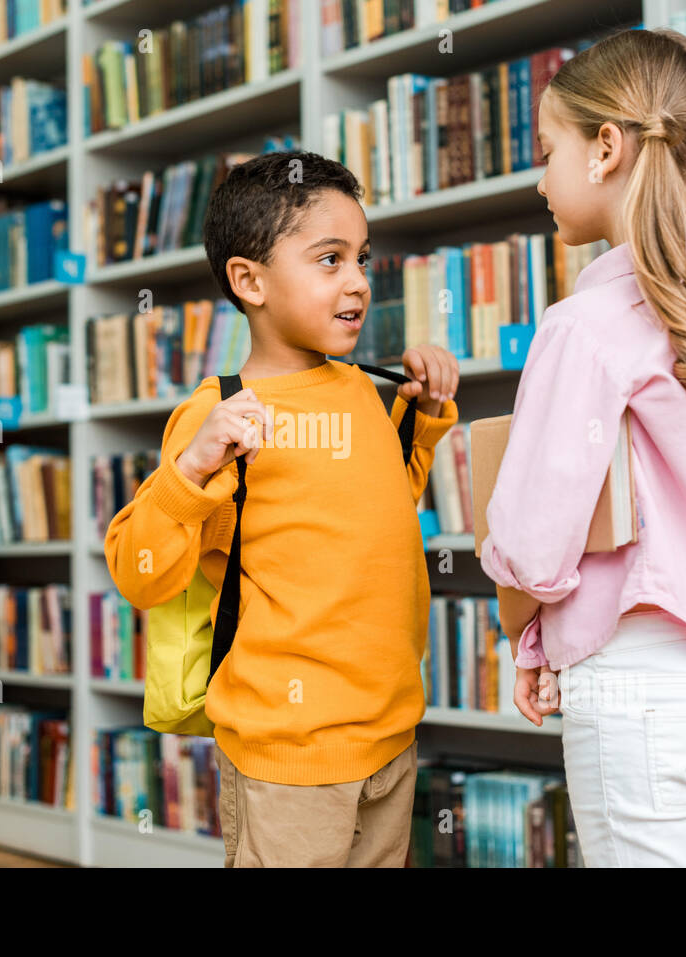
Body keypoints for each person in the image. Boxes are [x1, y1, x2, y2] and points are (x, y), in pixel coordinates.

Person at [478, 27, 686, 867]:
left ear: (607, 148)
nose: (539, 178)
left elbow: (531, 545)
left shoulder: (584, 326)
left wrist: (528, 636)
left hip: (634, 691)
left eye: (549, 149)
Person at [105, 150, 460, 867]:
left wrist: (422, 418)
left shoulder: (367, 390)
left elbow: (377, 517)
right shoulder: (219, 413)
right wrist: (194, 466)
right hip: (285, 754)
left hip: (391, 736)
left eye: (362, 258)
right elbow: (138, 570)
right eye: (329, 259)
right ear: (249, 280)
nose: (358, 280)